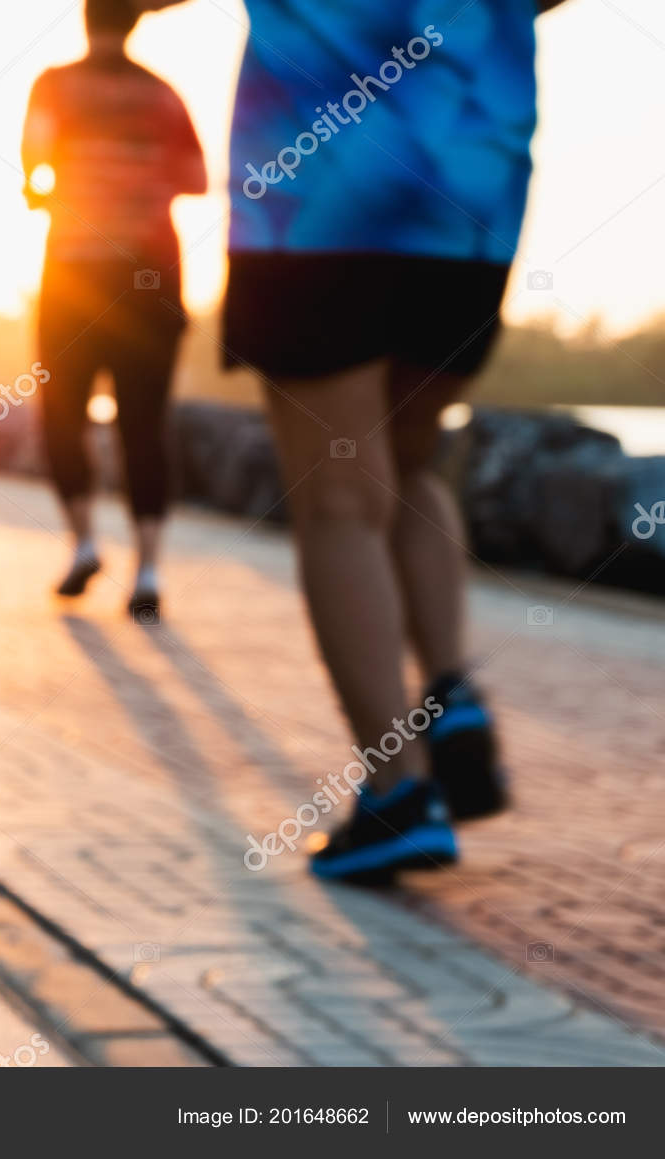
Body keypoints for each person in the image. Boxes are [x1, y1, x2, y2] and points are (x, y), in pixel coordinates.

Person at [133, 0, 572, 880]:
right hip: (471, 178)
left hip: (320, 184)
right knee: (410, 458)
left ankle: (397, 791)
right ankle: (448, 694)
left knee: (339, 497)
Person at [22, 0, 205, 622]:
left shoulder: (54, 86)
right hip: (152, 276)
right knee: (145, 422)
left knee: (62, 414)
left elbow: (32, 166)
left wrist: (51, 186)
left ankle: (83, 544)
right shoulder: (164, 95)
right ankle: (149, 568)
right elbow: (196, 178)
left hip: (76, 276)